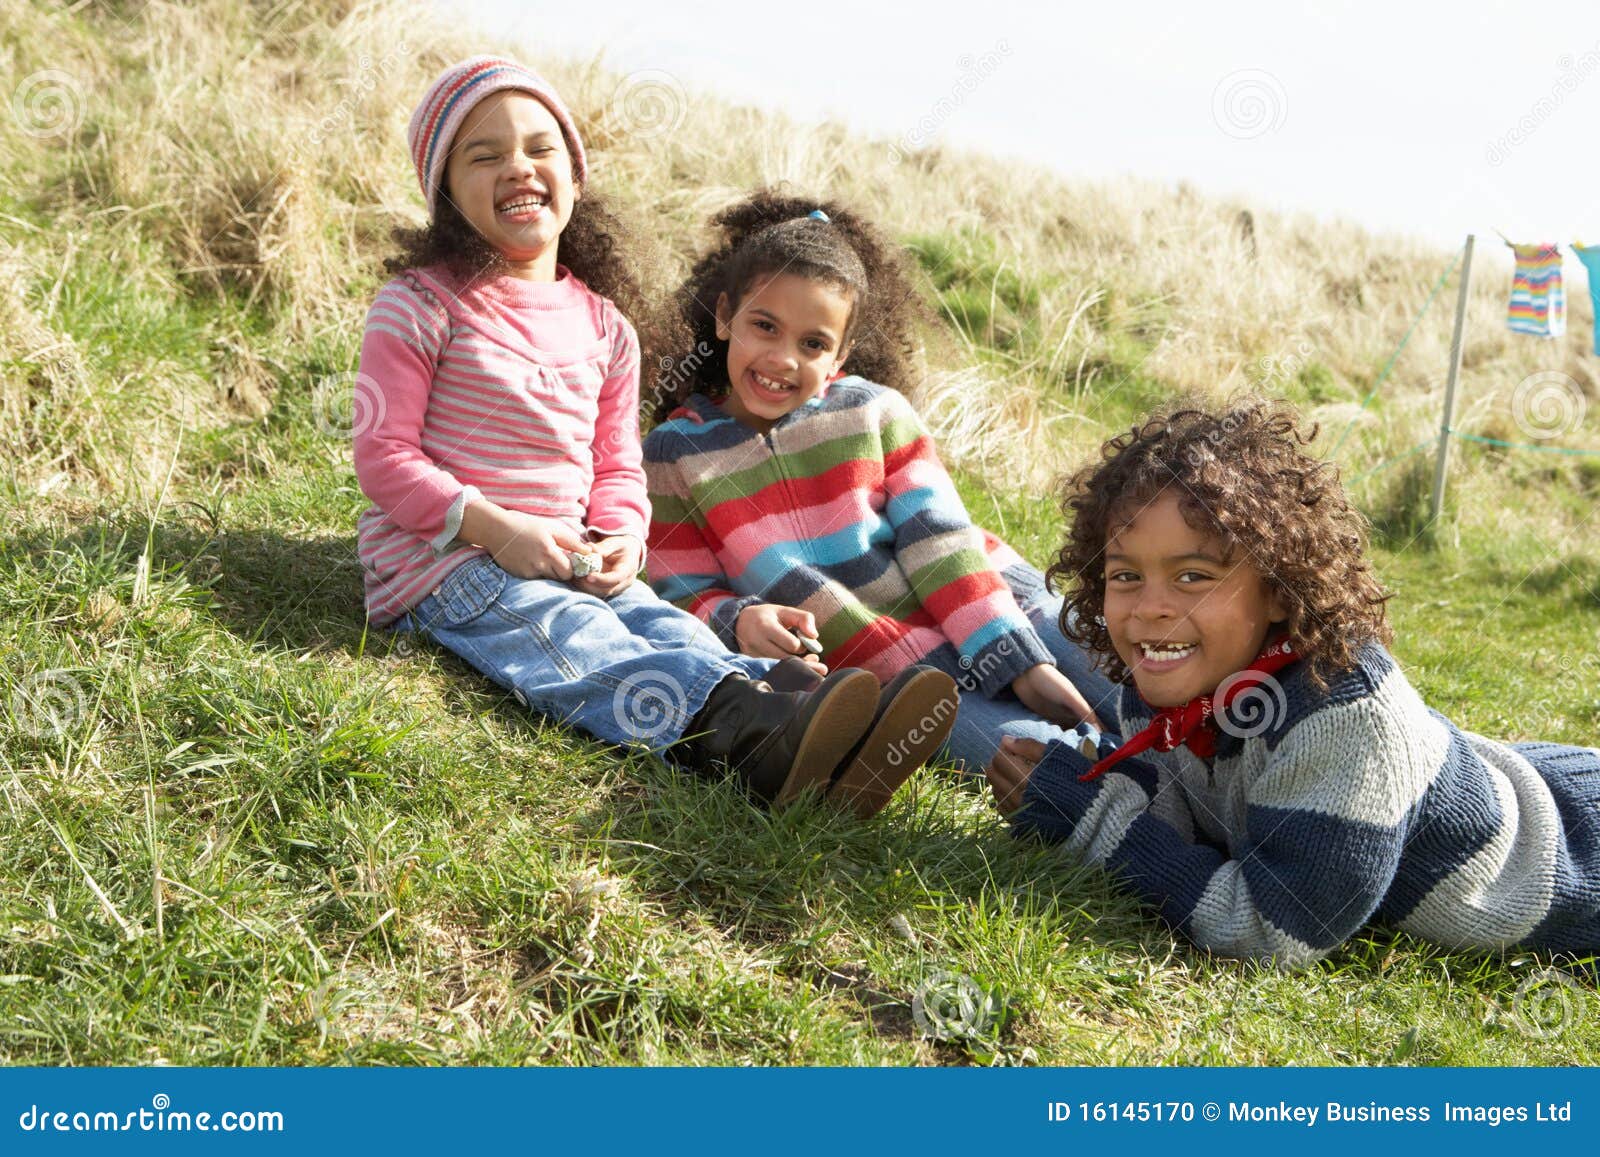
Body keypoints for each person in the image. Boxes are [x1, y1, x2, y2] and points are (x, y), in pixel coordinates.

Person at [352, 59, 954, 816]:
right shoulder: (420, 304)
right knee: (575, 640)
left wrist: (623, 540)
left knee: (656, 620)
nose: (518, 167)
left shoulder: (605, 326)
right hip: (448, 565)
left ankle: (808, 710)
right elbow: (383, 457)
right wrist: (496, 529)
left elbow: (615, 466)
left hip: (570, 557)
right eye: (485, 154)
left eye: (542, 149)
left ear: (573, 173)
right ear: (445, 190)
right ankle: (745, 737)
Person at [985, 400, 1600, 967]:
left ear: (1280, 590)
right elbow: (1174, 826)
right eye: (1124, 576)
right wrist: (1068, 792)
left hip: (1572, 850)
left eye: (1194, 576)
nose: (1150, 608)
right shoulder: (1160, 683)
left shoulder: (1347, 720)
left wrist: (1092, 824)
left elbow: (1275, 928)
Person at [642, 190, 1116, 774]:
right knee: (1048, 766)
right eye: (764, 326)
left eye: (813, 343)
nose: (783, 359)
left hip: (999, 604)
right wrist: (736, 618)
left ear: (840, 355)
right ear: (723, 317)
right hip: (908, 678)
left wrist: (1016, 658)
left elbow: (938, 538)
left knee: (1136, 688)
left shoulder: (874, 412)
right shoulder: (674, 454)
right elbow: (678, 585)